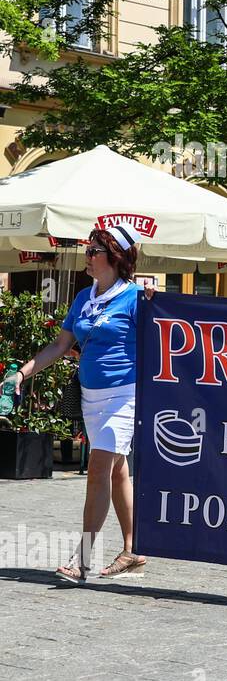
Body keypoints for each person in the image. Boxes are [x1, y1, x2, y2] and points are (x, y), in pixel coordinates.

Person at [12, 225, 147, 582]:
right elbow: (60, 346)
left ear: (114, 258)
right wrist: (23, 374)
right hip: (91, 398)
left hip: (125, 395)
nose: (87, 256)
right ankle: (132, 550)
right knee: (117, 472)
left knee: (99, 468)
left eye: (93, 251)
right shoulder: (84, 297)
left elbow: (159, 347)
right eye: (87, 250)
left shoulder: (135, 299)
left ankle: (83, 560)